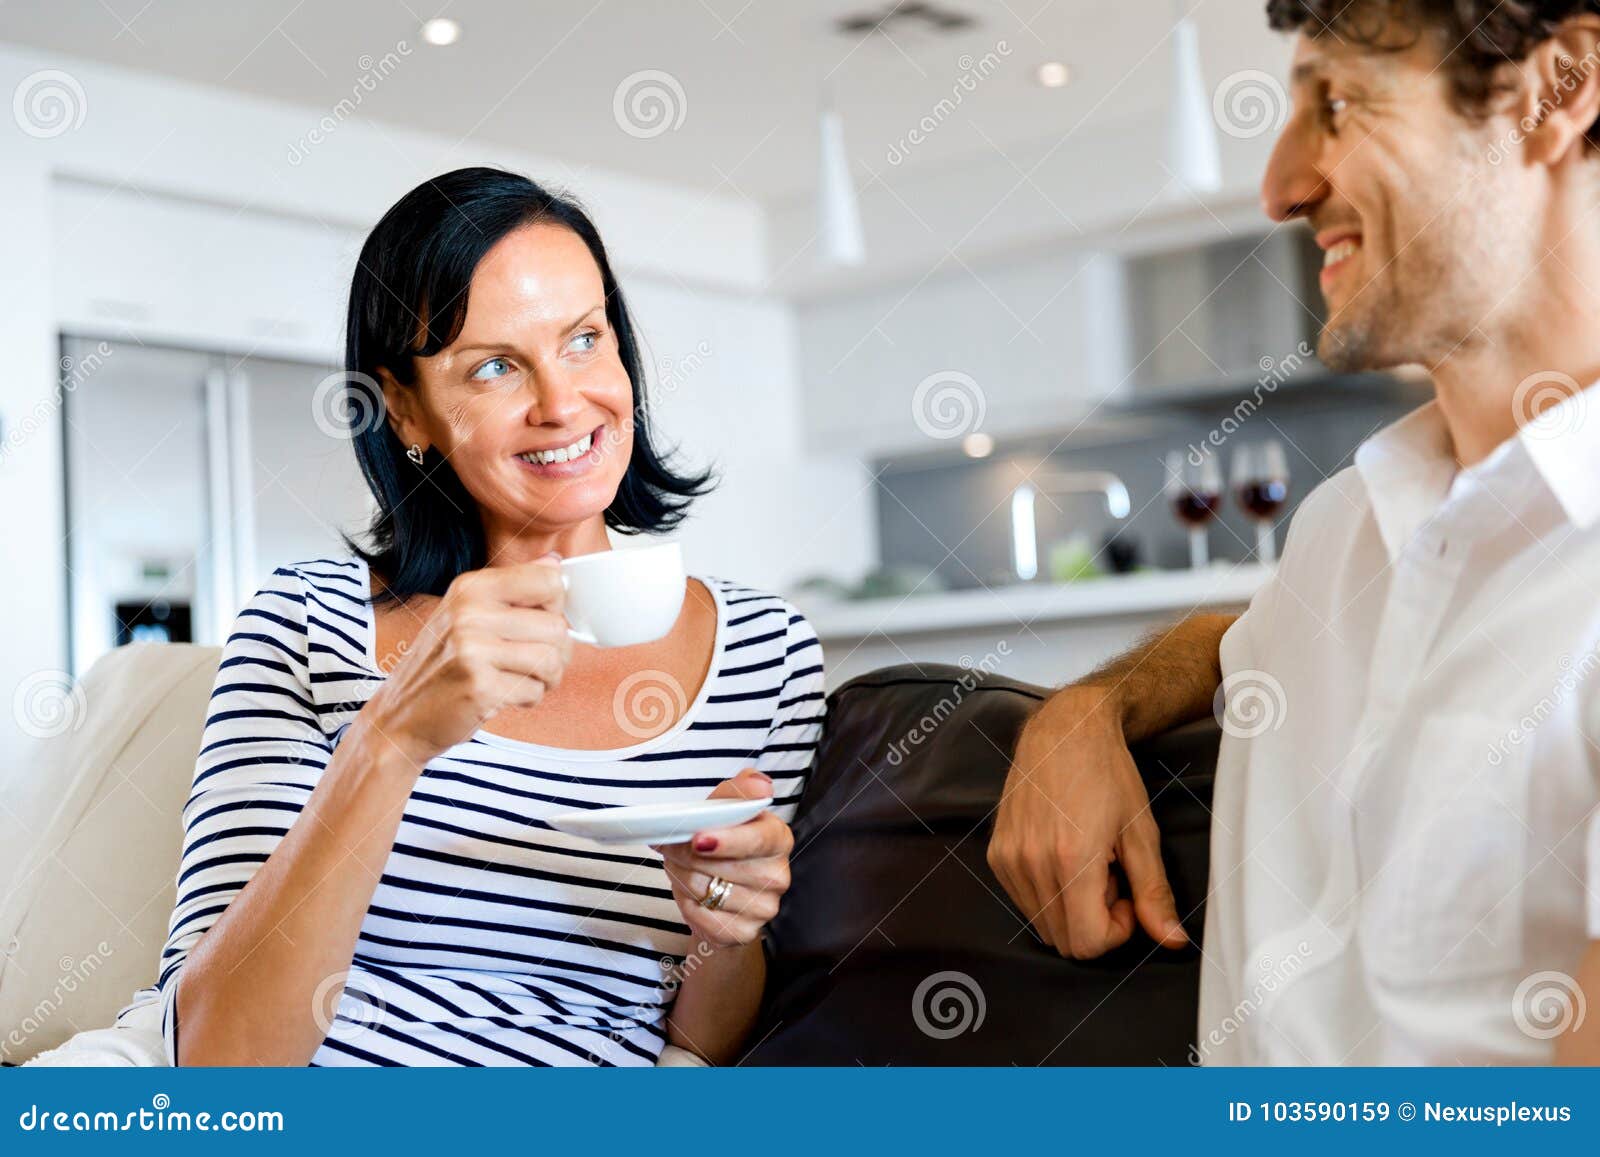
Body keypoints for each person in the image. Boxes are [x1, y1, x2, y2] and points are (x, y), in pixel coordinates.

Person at [988, 0, 1600, 1064]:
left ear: (1557, 89)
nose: (1279, 186)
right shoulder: (1346, 527)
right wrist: (1086, 709)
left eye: (1338, 102)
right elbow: (1255, 637)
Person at [135, 167, 825, 1066]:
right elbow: (216, 1059)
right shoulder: (308, 622)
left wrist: (728, 928)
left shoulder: (768, 655)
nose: (562, 401)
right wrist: (390, 738)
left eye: (584, 339)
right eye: (495, 366)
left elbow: (697, 1049)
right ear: (408, 407)